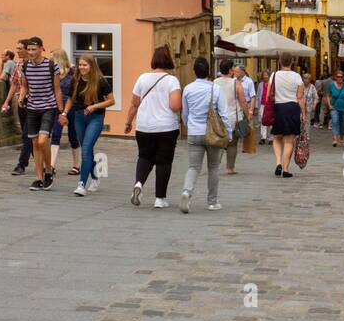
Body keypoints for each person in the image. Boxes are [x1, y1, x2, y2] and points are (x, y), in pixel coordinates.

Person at [124, 45, 182, 208]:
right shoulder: (172, 80)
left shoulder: (142, 78)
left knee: (144, 157)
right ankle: (159, 199)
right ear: (168, 60)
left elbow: (134, 104)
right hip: (166, 128)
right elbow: (175, 106)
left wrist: (128, 122)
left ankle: (138, 184)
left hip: (144, 127)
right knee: (163, 162)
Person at [180, 56, 233, 212]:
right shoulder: (215, 89)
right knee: (214, 167)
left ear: (194, 71)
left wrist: (188, 125)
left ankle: (186, 192)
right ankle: (212, 202)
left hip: (194, 133)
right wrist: (229, 133)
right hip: (213, 134)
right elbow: (223, 114)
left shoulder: (188, 89)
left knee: (193, 167)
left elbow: (185, 113)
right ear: (208, 71)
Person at [18, 36, 64, 191]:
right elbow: (25, 86)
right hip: (32, 108)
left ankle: (49, 171)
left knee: (43, 141)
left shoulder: (52, 66)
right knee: (35, 143)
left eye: (33, 49)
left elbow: (57, 89)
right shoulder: (24, 67)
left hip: (48, 107)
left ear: (41, 49)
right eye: (28, 49)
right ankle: (38, 178)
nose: (30, 52)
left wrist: (61, 111)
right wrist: (22, 96)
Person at [68, 53, 113, 197]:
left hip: (95, 118)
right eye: (80, 64)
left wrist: (95, 106)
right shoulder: (75, 80)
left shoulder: (101, 81)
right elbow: (70, 98)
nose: (81, 67)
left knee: (86, 148)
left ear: (91, 66)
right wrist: (63, 114)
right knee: (87, 150)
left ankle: (81, 184)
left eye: (84, 65)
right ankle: (95, 177)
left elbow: (111, 101)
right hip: (79, 117)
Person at [268, 55, 305, 177]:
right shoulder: (297, 76)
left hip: (278, 108)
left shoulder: (274, 75)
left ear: (279, 62)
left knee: (277, 137)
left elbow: (269, 94)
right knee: (289, 141)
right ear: (292, 62)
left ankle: (278, 162)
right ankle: (286, 169)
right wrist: (303, 113)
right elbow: (300, 97)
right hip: (292, 108)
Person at [48, 48, 82, 179]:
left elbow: (76, 91)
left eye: (52, 58)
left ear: (58, 59)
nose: (50, 61)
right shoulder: (52, 73)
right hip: (56, 106)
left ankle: (76, 165)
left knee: (73, 136)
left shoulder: (73, 71)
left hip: (72, 106)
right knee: (55, 134)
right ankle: (51, 166)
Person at [1, 40, 32, 175]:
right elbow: (14, 84)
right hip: (21, 101)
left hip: (34, 103)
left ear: (27, 49)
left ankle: (21, 164)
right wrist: (6, 101)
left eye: (20, 48)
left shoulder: (34, 64)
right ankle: (43, 163)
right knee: (28, 135)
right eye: (17, 48)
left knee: (27, 133)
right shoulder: (18, 64)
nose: (18, 51)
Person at [216, 58, 248, 175]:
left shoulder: (215, 83)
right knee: (232, 143)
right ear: (230, 70)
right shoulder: (236, 83)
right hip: (233, 118)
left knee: (219, 142)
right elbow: (243, 101)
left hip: (218, 118)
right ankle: (230, 168)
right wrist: (247, 114)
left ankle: (215, 164)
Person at [326, 70, 344, 147]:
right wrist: (329, 104)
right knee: (335, 121)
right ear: (335, 77)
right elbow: (327, 95)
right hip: (334, 107)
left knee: (342, 124)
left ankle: (341, 139)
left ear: (343, 77)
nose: (339, 78)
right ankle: (334, 139)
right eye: (338, 77)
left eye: (341, 77)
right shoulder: (331, 85)